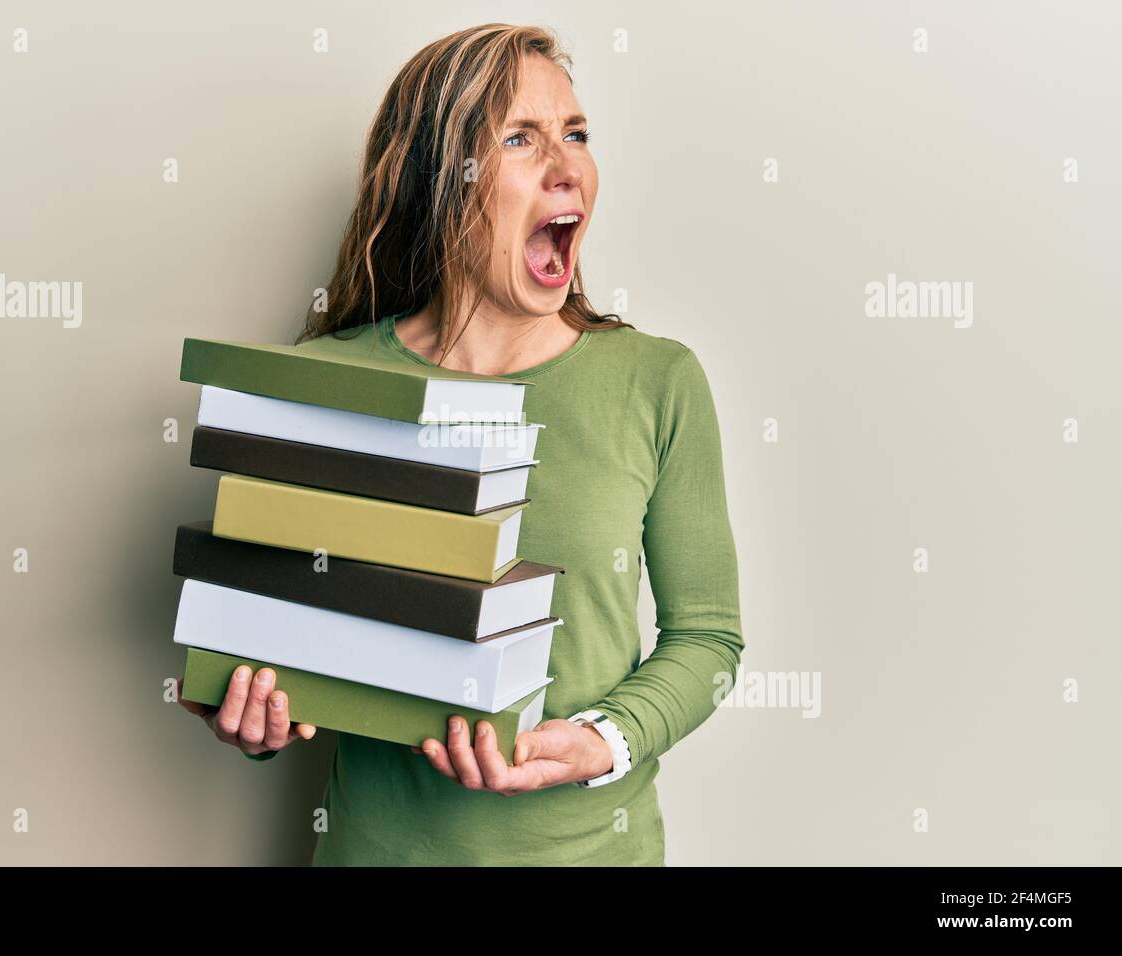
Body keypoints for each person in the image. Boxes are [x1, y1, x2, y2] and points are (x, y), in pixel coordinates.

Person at [180, 22, 744, 866]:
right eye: (521, 138)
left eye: (577, 134)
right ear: (443, 182)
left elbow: (709, 639)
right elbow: (276, 639)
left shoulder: (657, 383)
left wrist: (602, 740)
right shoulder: (325, 383)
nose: (568, 167)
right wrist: (253, 714)